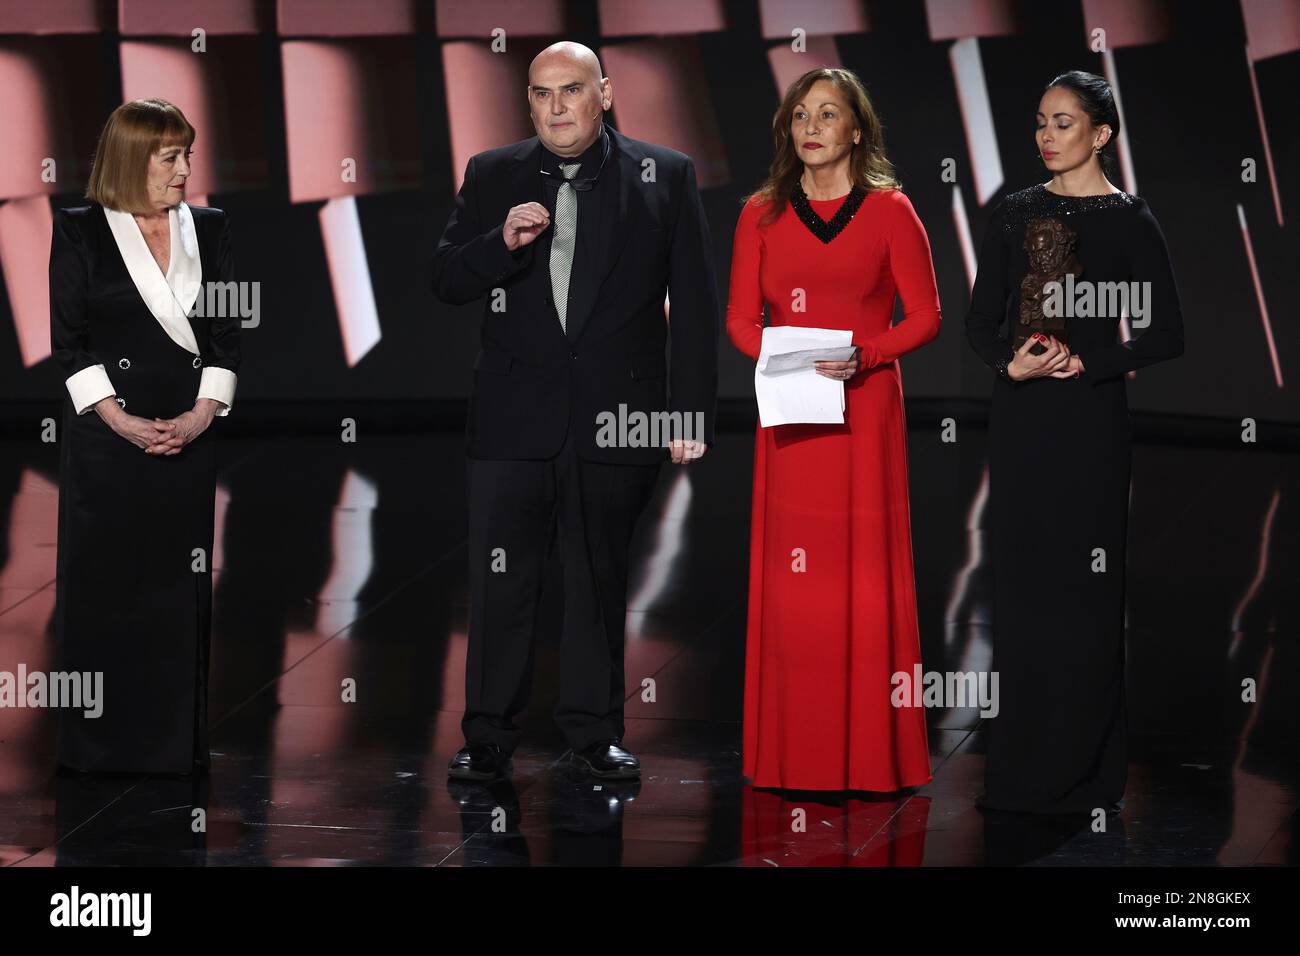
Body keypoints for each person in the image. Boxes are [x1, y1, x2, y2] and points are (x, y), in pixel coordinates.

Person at [432, 41, 719, 781]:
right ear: (527, 102)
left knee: (598, 576)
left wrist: (688, 413)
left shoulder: (664, 174)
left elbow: (691, 306)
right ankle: (488, 734)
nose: (556, 107)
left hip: (617, 414)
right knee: (501, 582)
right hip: (511, 415)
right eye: (541, 93)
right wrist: (501, 243)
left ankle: (595, 732)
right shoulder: (493, 172)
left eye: (571, 90)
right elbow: (446, 279)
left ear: (606, 93)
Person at [965, 71, 1184, 814]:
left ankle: (1086, 771)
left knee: (1086, 592)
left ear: (1101, 135)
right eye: (1040, 123)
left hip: (1090, 422)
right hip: (1022, 418)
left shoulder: (1129, 218)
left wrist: (1095, 359)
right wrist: (1010, 362)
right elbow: (978, 321)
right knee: (1022, 590)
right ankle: (1024, 764)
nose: (1047, 137)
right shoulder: (1013, 211)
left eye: (1063, 123)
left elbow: (1166, 333)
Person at [726, 68, 939, 791]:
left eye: (827, 114)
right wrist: (782, 358)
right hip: (792, 413)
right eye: (799, 117)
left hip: (865, 409)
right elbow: (738, 318)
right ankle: (796, 754)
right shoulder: (760, 213)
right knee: (797, 583)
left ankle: (872, 757)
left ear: (856, 129)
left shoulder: (891, 211)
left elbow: (925, 315)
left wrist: (864, 356)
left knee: (863, 576)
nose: (810, 127)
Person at [50, 98, 240, 773]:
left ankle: (169, 751)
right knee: (104, 595)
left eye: (187, 153)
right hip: (108, 445)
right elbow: (69, 344)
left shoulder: (210, 229)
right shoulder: (79, 231)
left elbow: (228, 336)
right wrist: (119, 418)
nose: (187, 169)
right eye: (172, 157)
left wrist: (198, 415)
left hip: (186, 442)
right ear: (134, 160)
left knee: (176, 599)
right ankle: (96, 753)